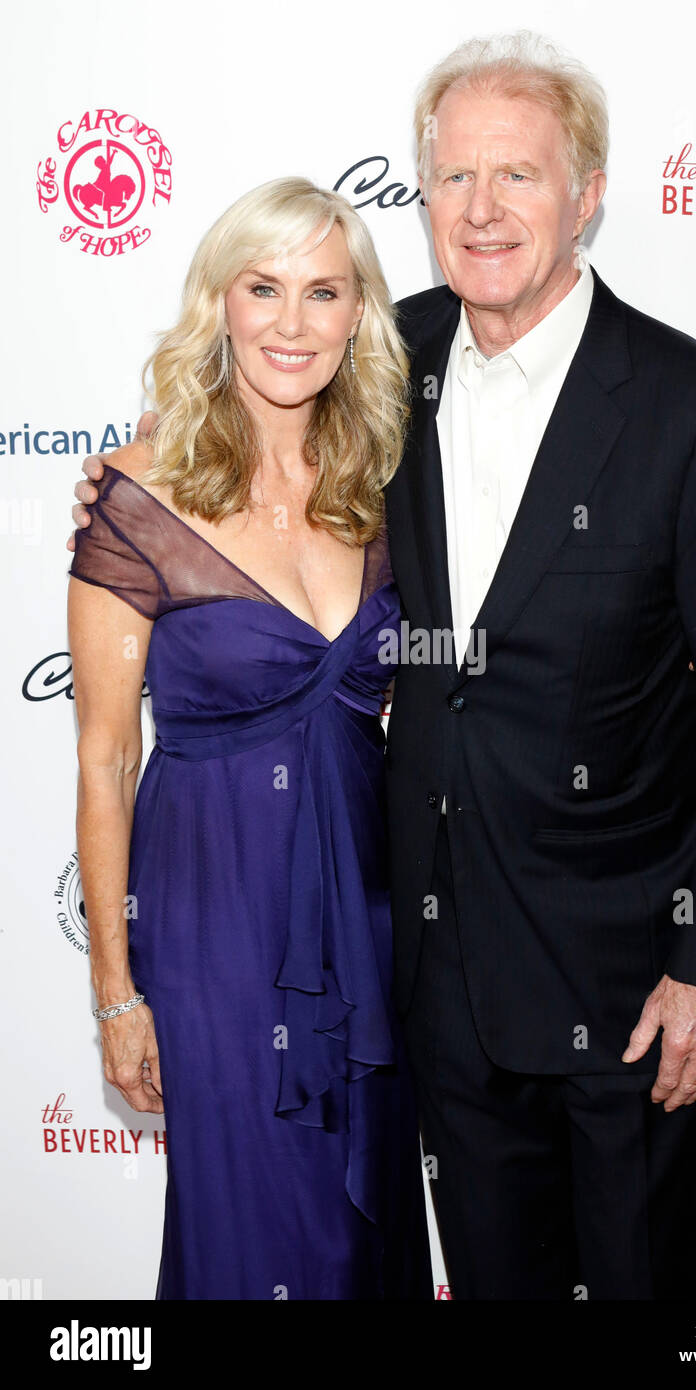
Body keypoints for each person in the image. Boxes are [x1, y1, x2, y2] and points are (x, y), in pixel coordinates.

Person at [72, 33, 696, 1301]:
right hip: (431, 990)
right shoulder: (381, 361)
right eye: (454, 180)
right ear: (420, 203)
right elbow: (238, 413)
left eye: (518, 178)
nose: (483, 212)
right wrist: (117, 484)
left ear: (587, 193)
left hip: (630, 994)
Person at [67, 176, 432, 1300]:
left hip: (366, 913)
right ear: (218, 302)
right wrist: (117, 992)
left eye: (323, 292)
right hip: (213, 920)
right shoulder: (136, 495)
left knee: (359, 1223)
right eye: (262, 287)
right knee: (256, 1231)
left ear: (359, 314)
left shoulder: (392, 485)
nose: (290, 321)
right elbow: (104, 758)